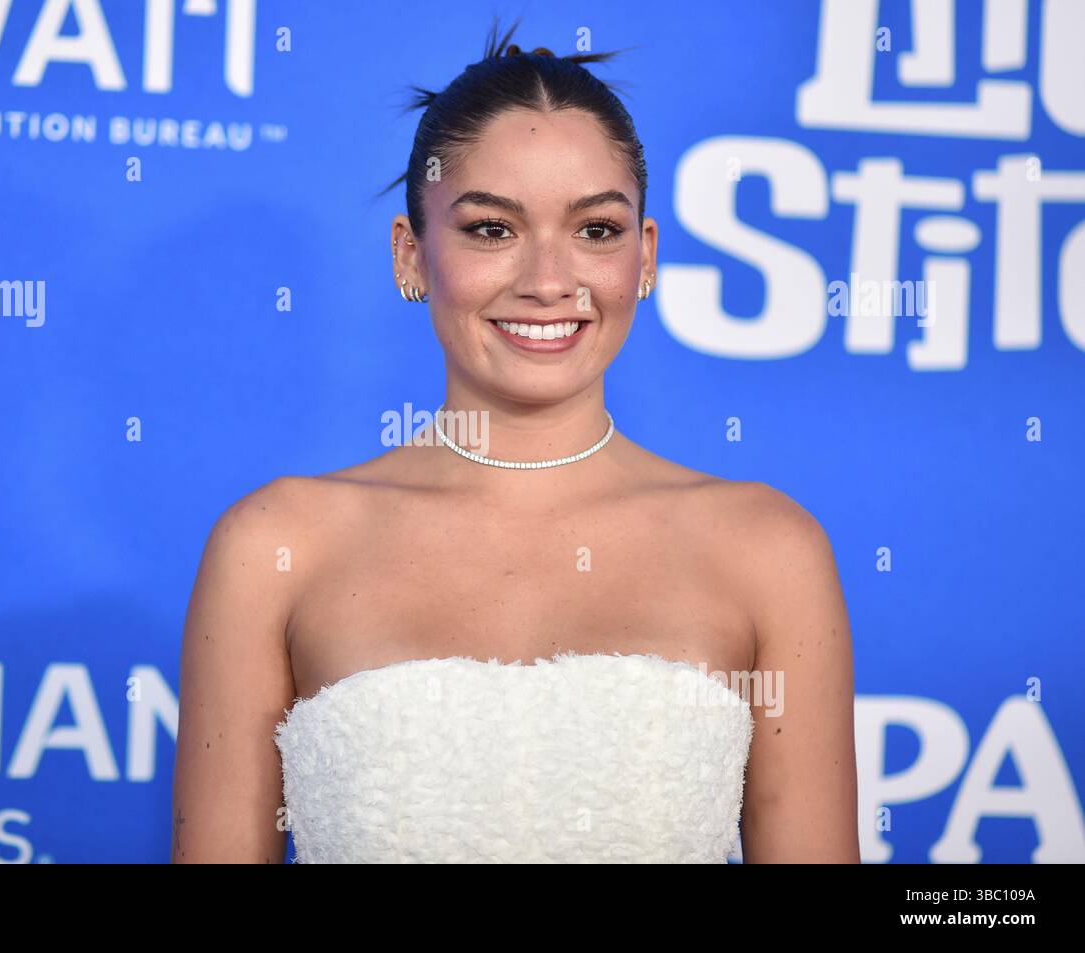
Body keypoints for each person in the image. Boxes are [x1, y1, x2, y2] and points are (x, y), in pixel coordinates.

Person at [170, 16, 859, 863]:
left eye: (596, 230)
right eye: (491, 229)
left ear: (645, 257)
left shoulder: (768, 548)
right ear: (411, 256)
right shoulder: (275, 545)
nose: (547, 281)